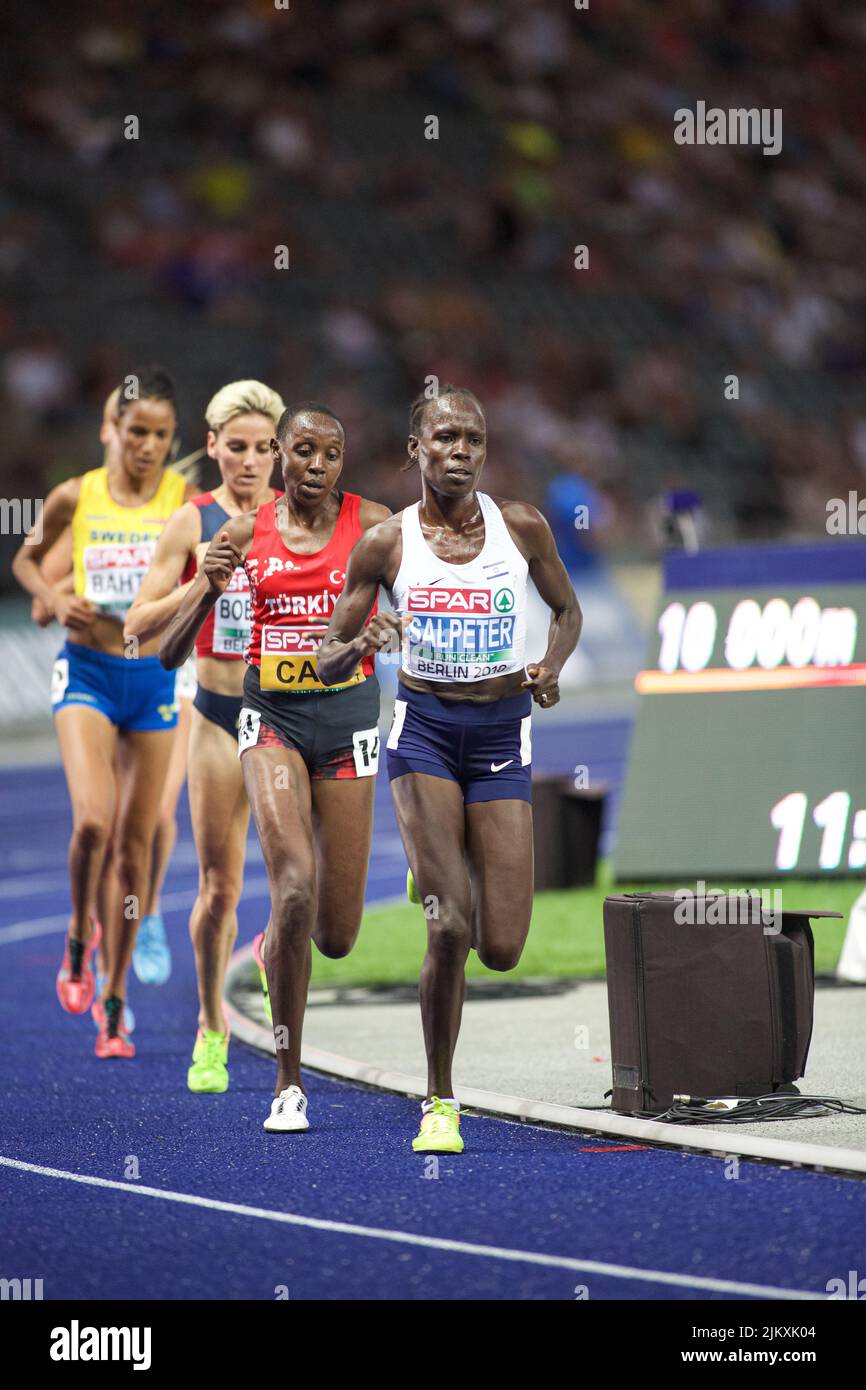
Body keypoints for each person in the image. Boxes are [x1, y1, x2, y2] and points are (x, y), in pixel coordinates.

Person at [317, 385, 582, 1153]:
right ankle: (441, 1100)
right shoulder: (387, 544)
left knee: (500, 948)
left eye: (472, 439)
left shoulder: (522, 528)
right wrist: (367, 640)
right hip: (424, 735)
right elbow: (328, 658)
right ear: (416, 450)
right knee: (450, 925)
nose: (459, 452)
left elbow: (568, 613)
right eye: (444, 439)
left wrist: (552, 668)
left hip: (502, 737)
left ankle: (437, 865)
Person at [161, 402, 390, 1125]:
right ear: (281, 460)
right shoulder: (242, 533)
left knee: (337, 933)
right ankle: (288, 1083)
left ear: (342, 463)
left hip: (350, 719)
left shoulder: (375, 525)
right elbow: (168, 654)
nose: (316, 466)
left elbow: (437, 600)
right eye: (303, 452)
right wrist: (206, 585)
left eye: (330, 454)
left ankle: (277, 951)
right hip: (272, 721)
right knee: (291, 885)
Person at [12, 366, 195, 1058]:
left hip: (151, 680)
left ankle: (114, 1006)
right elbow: (28, 565)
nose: (147, 446)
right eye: (136, 431)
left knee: (138, 842)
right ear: (109, 429)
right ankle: (79, 938)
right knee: (93, 821)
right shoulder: (75, 495)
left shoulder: (185, 500)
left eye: (160, 435)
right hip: (86, 671)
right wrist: (56, 600)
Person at [126, 380, 285, 1090]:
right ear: (213, 445)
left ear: (281, 450)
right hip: (218, 716)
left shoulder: (299, 517)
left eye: (264, 448)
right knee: (219, 888)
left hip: (288, 714)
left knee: (298, 888)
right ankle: (212, 1024)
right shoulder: (191, 522)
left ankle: (273, 950)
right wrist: (204, 584)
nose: (250, 462)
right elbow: (136, 625)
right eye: (237, 447)